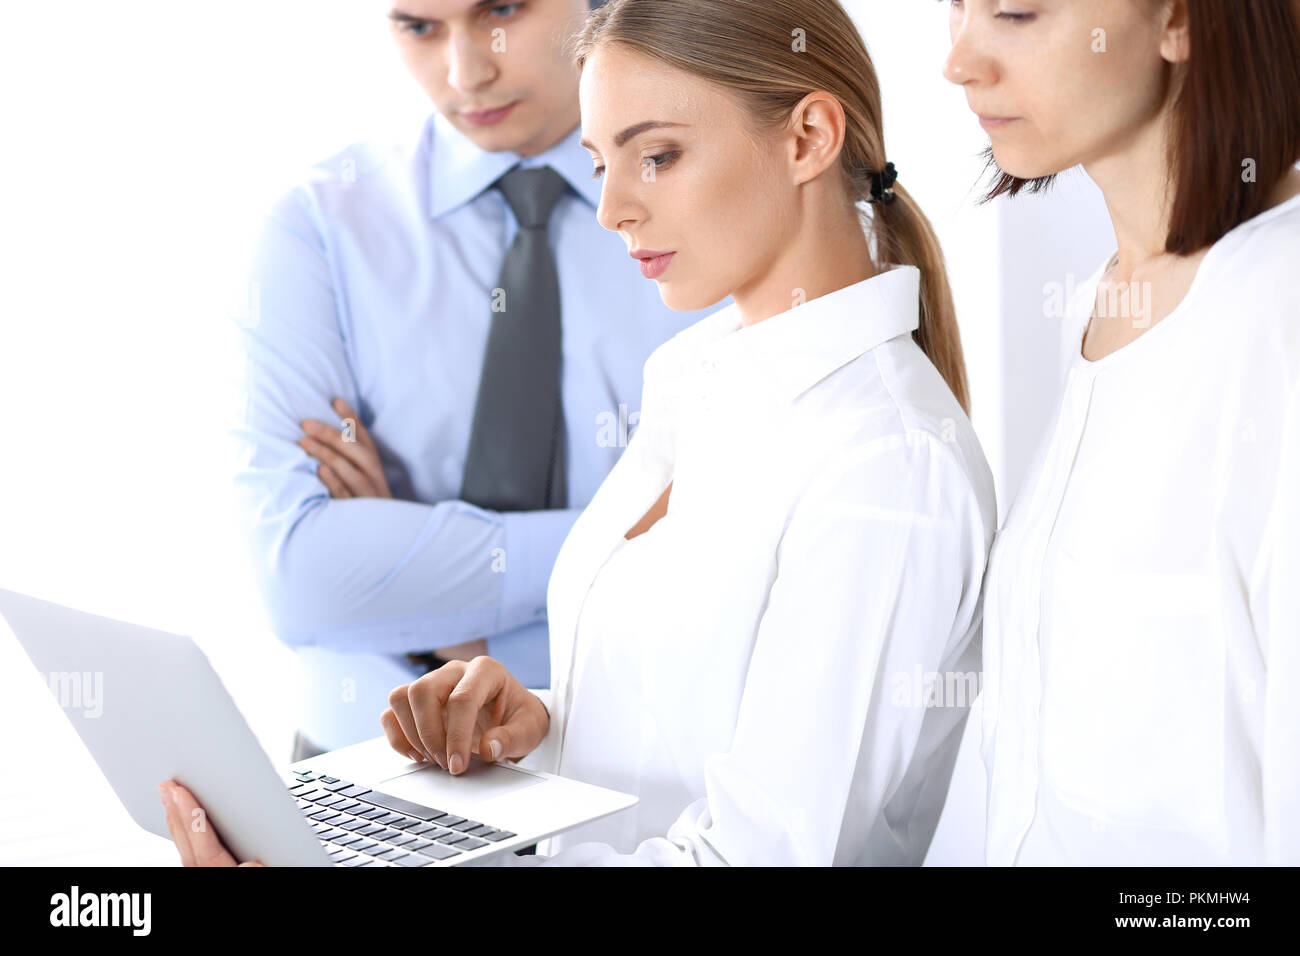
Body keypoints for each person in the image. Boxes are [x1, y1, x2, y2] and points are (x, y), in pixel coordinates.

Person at [165, 0, 996, 866]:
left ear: (808, 137)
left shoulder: (887, 466)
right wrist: (541, 726)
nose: (612, 209)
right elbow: (691, 731)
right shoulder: (698, 380)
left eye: (658, 156)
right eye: (601, 163)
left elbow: (760, 855)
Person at [231, 0, 718, 762]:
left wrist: (415, 565)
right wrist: (634, 529)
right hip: (367, 775)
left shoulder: (719, 215)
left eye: (502, 9)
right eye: (417, 26)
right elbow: (300, 580)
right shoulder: (315, 226)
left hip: (640, 778)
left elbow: (746, 560)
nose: (467, 71)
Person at [942, 0, 1300, 864]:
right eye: (953, 8)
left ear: (1180, 21)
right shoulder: (1115, 294)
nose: (960, 63)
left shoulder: (1277, 320)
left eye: (1016, 14)